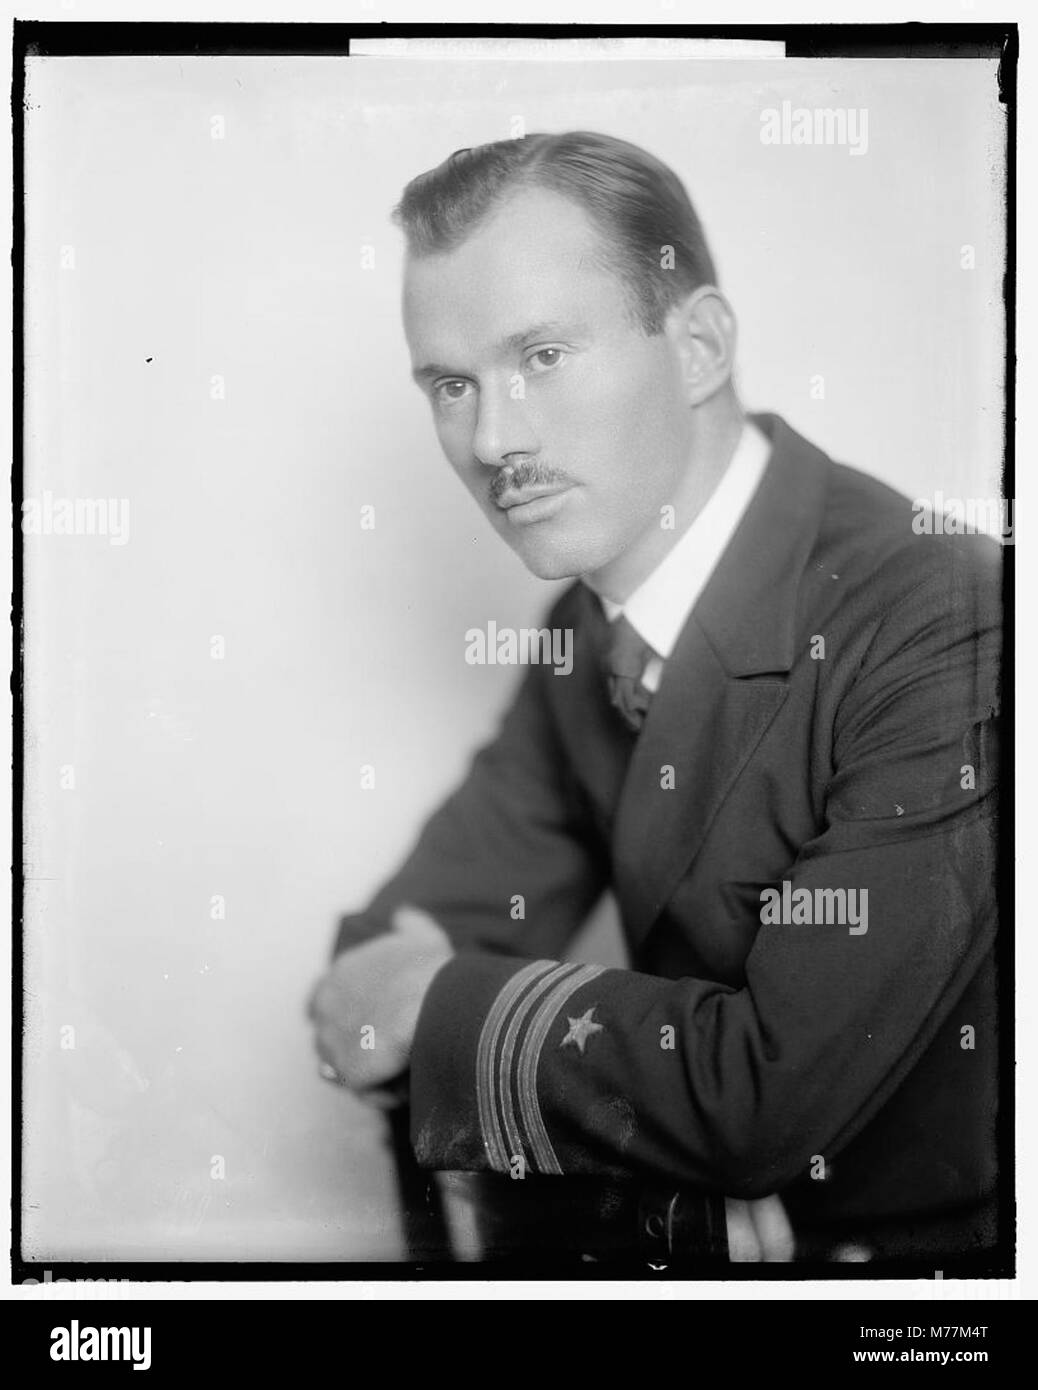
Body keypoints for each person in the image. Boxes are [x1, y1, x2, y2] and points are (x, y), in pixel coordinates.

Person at [309, 131, 1002, 1270]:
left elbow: (762, 1102)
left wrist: (447, 1017)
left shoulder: (949, 620)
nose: (494, 440)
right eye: (452, 383)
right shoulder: (592, 626)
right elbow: (388, 953)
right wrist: (667, 1189)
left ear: (699, 346)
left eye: (541, 353)